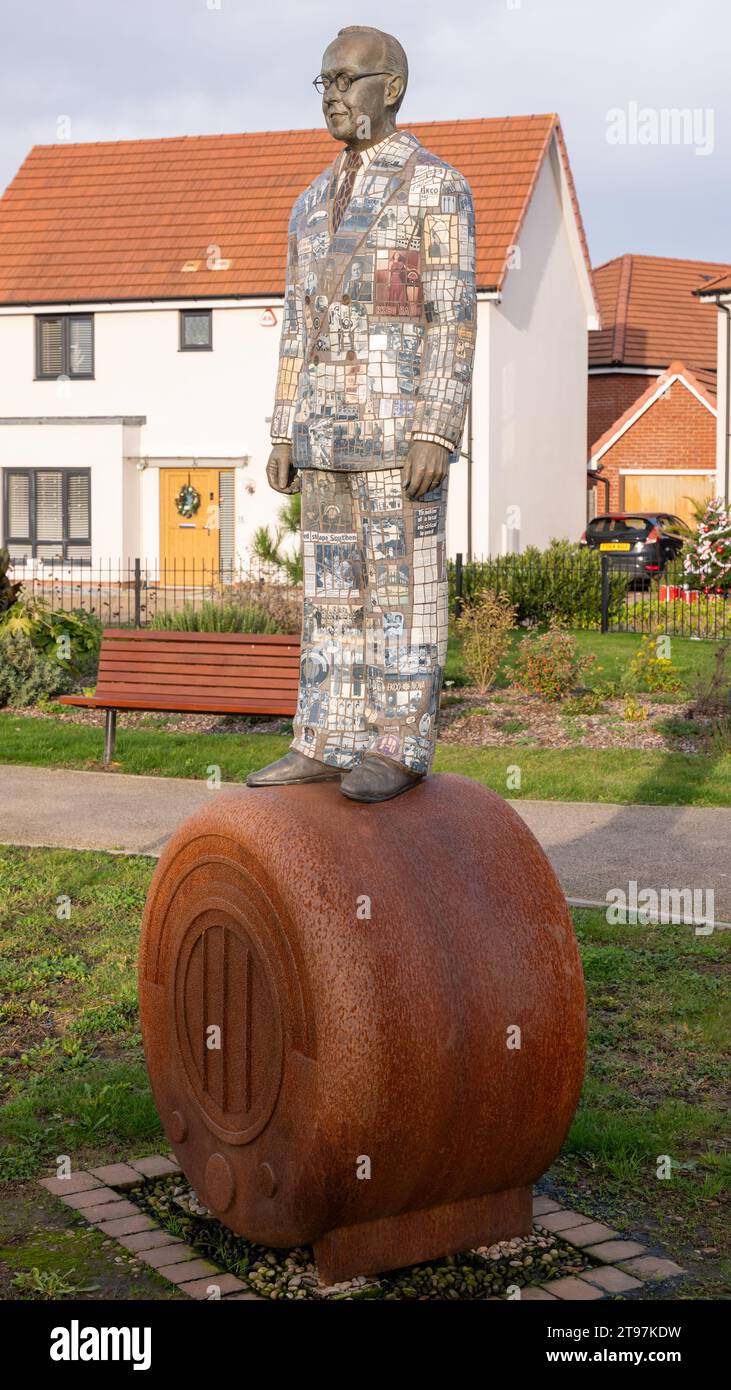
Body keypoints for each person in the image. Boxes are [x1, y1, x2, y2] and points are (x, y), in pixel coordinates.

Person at [247, 24, 476, 802]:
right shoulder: (309, 204)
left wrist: (435, 430)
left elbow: (451, 318)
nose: (334, 95)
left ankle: (398, 742)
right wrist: (284, 427)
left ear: (393, 87)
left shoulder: (434, 187)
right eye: (324, 82)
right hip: (322, 436)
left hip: (397, 434)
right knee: (329, 596)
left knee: (403, 597)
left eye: (347, 79)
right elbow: (294, 325)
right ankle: (325, 735)